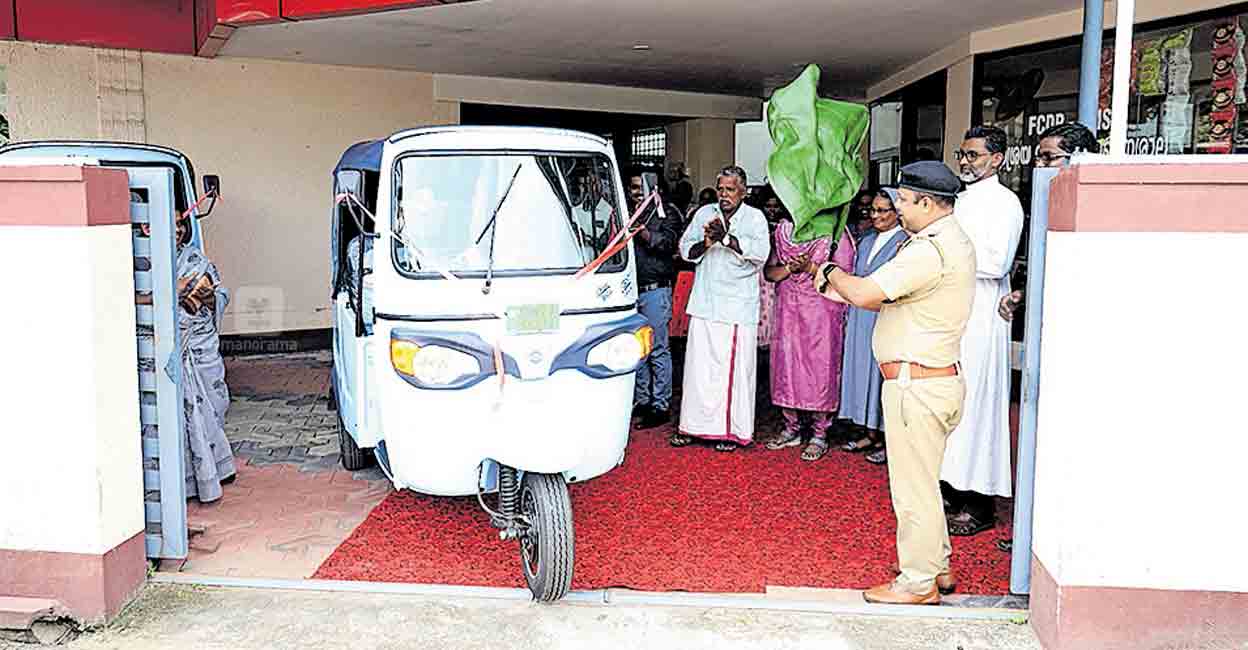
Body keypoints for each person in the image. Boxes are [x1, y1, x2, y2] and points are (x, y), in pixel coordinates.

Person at [810, 161, 975, 605]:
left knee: (912, 488)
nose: (897, 208)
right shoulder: (950, 238)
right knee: (925, 481)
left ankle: (917, 582)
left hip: (915, 384)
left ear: (925, 202)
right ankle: (937, 566)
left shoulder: (927, 250)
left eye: (902, 200)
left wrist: (830, 272)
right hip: (931, 380)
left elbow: (865, 293)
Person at [995, 121, 1100, 554]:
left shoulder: (1097, 207)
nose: (1039, 167)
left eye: (1048, 159)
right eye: (1038, 158)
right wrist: (1023, 293)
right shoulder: (1050, 200)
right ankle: (1033, 536)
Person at [941, 126, 1025, 537]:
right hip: (951, 312)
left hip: (982, 315)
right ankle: (951, 489)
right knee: (950, 401)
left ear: (998, 159)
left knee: (977, 406)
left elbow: (996, 262)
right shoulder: (958, 199)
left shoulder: (1006, 203)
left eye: (974, 155)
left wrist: (946, 249)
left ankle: (979, 504)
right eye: (963, 154)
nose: (966, 162)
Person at [671, 165, 771, 452]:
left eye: (730, 189)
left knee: (734, 371)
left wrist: (725, 239)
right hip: (705, 302)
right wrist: (706, 242)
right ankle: (694, 426)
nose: (724, 195)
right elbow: (686, 251)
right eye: (721, 189)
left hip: (737, 307)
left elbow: (760, 255)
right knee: (699, 371)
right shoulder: (704, 214)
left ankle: (732, 432)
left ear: (744, 192)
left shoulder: (755, 218)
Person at [139, 209, 235, 503]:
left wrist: (203, 294)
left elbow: (218, 295)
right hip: (160, 349)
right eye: (173, 224)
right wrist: (171, 291)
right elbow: (124, 296)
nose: (179, 230)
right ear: (146, 225)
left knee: (211, 406)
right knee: (163, 416)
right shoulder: (139, 260)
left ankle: (213, 470)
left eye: (181, 224)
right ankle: (176, 481)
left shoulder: (193, 258)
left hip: (199, 345)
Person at [762, 193, 855, 461]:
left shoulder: (834, 231)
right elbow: (770, 272)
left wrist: (811, 267)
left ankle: (819, 433)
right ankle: (790, 427)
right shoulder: (783, 229)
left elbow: (845, 275)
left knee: (819, 366)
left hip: (822, 307)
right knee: (787, 366)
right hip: (789, 306)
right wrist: (791, 269)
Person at [838, 190, 909, 466]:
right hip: (860, 315)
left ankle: (887, 440)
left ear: (897, 212)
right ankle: (869, 432)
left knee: (882, 377)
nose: (876, 216)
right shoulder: (866, 241)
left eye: (883, 211)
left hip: (885, 316)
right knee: (861, 372)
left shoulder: (906, 242)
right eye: (874, 210)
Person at [625, 168, 683, 429]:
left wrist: (645, 233)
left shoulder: (666, 212)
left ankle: (660, 405)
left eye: (640, 187)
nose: (635, 193)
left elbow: (670, 244)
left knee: (658, 348)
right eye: (632, 188)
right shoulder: (625, 212)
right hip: (630, 290)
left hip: (656, 290)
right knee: (637, 350)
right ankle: (642, 400)